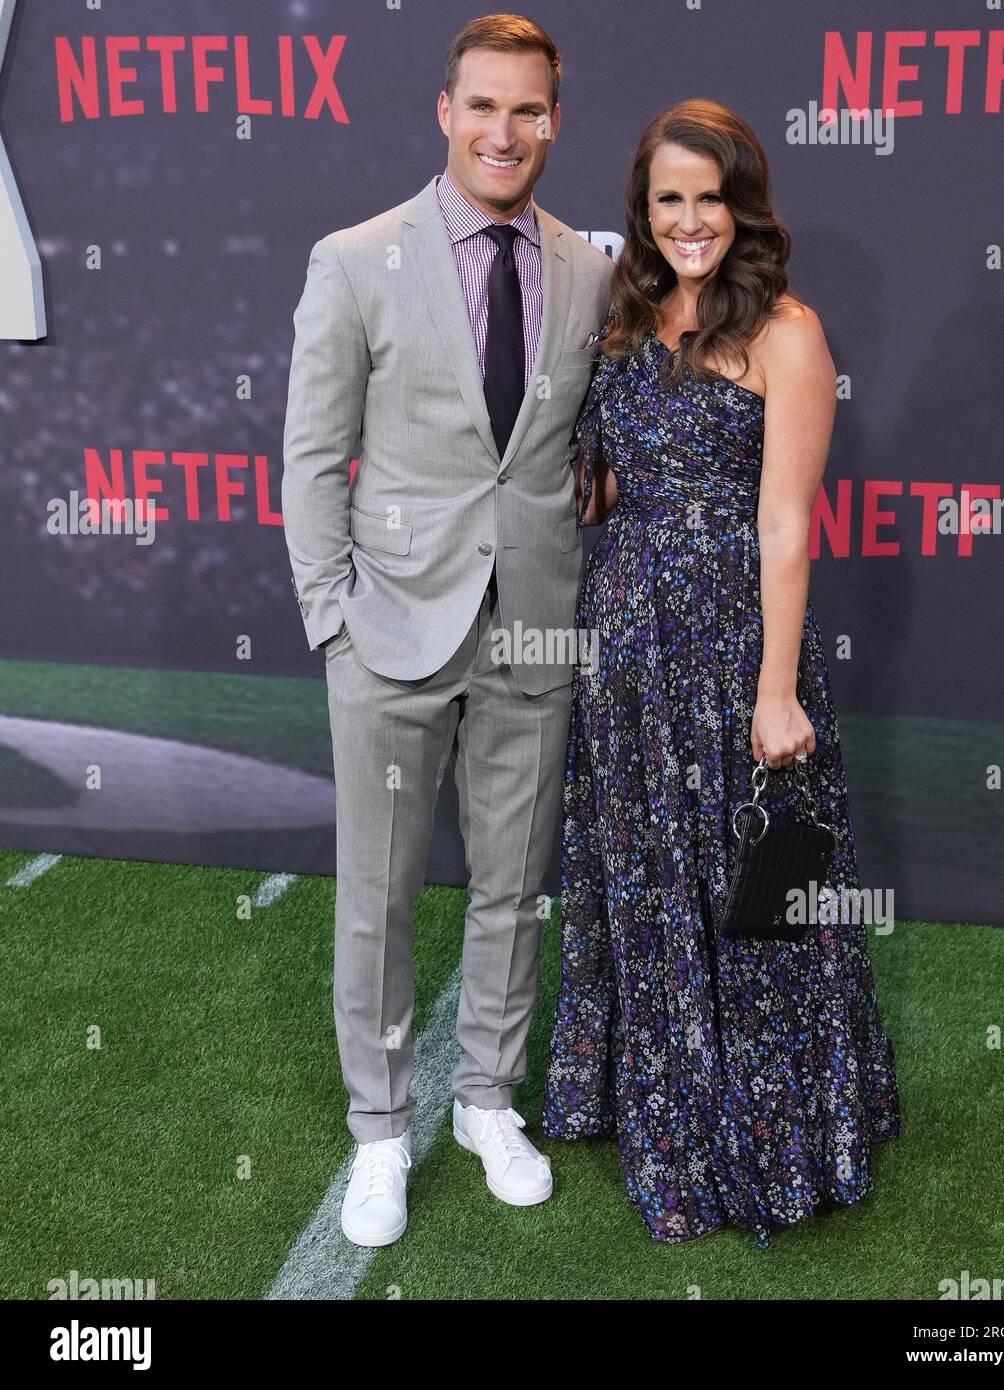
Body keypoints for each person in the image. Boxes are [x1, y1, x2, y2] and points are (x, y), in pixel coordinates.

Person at [542, 99, 904, 1246]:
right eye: (667, 199)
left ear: (742, 205)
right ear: (640, 214)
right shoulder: (626, 310)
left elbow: (785, 527)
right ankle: (660, 1106)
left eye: (709, 197)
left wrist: (776, 689)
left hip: (732, 654)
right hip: (627, 652)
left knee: (756, 907)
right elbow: (604, 488)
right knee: (650, 882)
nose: (688, 220)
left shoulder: (786, 331)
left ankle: (775, 1130)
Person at [281, 15, 612, 1247]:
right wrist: (333, 620)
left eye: (528, 110)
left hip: (532, 625)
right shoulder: (356, 258)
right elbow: (311, 457)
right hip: (388, 632)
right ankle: (379, 1127)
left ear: (553, 122)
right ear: (444, 111)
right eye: (484, 106)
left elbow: (579, 442)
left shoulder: (587, 270)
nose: (504, 131)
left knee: (513, 888)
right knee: (375, 890)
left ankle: (484, 1099)